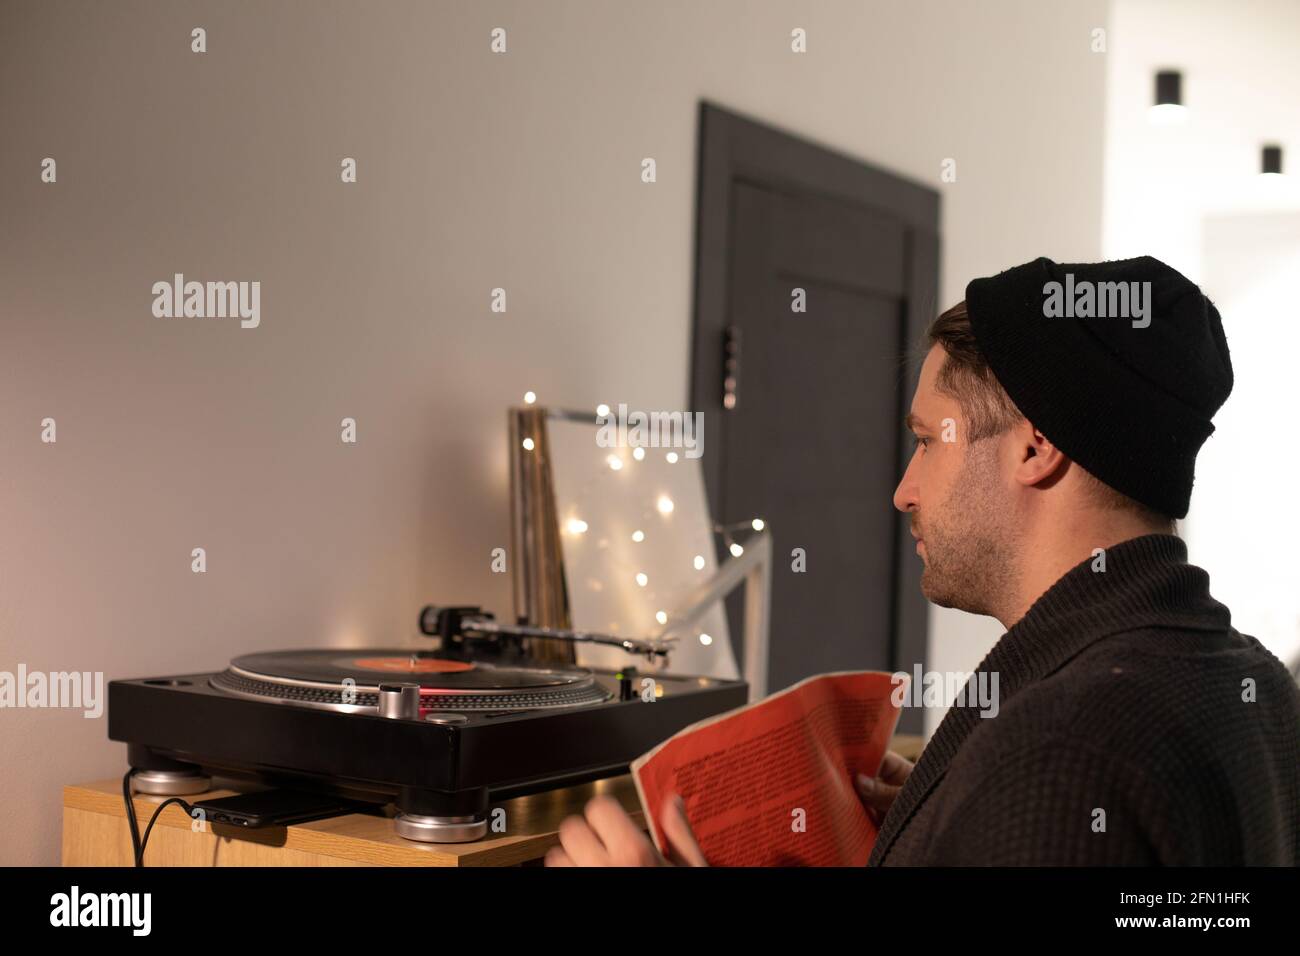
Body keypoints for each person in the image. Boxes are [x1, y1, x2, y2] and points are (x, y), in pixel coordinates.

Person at [544, 255, 1300, 867]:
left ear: (1036, 447)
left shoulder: (1062, 752)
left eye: (929, 439)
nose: (904, 491)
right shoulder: (1256, 684)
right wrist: (938, 827)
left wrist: (996, 803)